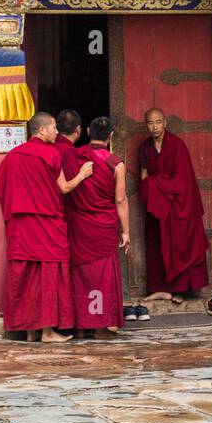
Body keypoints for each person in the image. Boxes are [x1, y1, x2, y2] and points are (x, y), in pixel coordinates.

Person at [0, 112, 93, 343]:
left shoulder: (12, 156)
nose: (57, 132)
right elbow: (65, 188)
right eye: (53, 128)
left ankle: (30, 332)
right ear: (41, 130)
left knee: (27, 275)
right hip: (47, 224)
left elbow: (2, 188)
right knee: (49, 275)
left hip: (21, 225)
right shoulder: (50, 154)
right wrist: (82, 174)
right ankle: (48, 332)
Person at [63, 116, 128, 339]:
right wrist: (126, 232)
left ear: (89, 132)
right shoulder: (116, 164)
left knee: (80, 274)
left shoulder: (73, 156)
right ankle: (101, 326)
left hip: (79, 226)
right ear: (111, 136)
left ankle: (80, 325)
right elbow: (120, 200)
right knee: (102, 276)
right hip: (103, 227)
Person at [138, 107, 209, 302]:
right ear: (146, 125)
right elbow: (144, 177)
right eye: (150, 123)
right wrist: (151, 190)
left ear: (165, 123)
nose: (154, 126)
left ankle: (180, 290)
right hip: (157, 204)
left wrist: (157, 185)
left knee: (179, 242)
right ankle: (160, 288)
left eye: (158, 122)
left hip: (177, 204)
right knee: (156, 241)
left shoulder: (177, 146)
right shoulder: (145, 148)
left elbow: (183, 180)